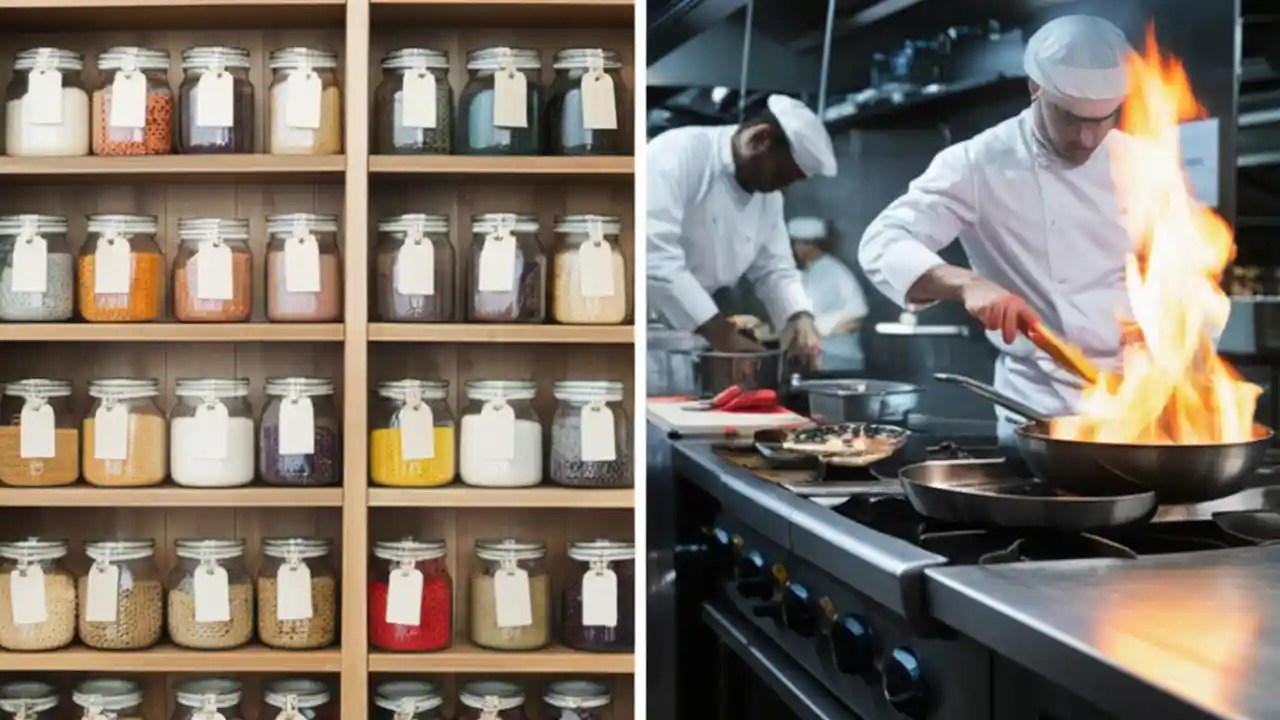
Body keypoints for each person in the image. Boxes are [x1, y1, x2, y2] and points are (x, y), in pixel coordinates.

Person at [857, 14, 1138, 444]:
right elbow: (883, 243)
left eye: (1103, 119)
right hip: (1040, 410)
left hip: (1140, 400)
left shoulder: (1142, 163)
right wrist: (969, 285)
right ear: (1035, 88)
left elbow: (1186, 271)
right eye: (1069, 117)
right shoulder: (977, 162)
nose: (1087, 138)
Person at [647, 94, 837, 368]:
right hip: (640, 335)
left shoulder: (767, 195)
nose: (782, 188)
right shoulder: (678, 152)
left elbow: (775, 268)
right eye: (783, 175)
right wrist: (722, 333)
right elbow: (653, 256)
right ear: (760, 138)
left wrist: (799, 316)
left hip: (692, 337)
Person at [789, 216, 868, 370]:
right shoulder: (810, 272)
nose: (795, 249)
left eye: (798, 244)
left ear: (811, 245)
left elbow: (856, 316)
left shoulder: (834, 271)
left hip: (839, 358)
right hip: (819, 356)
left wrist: (821, 331)